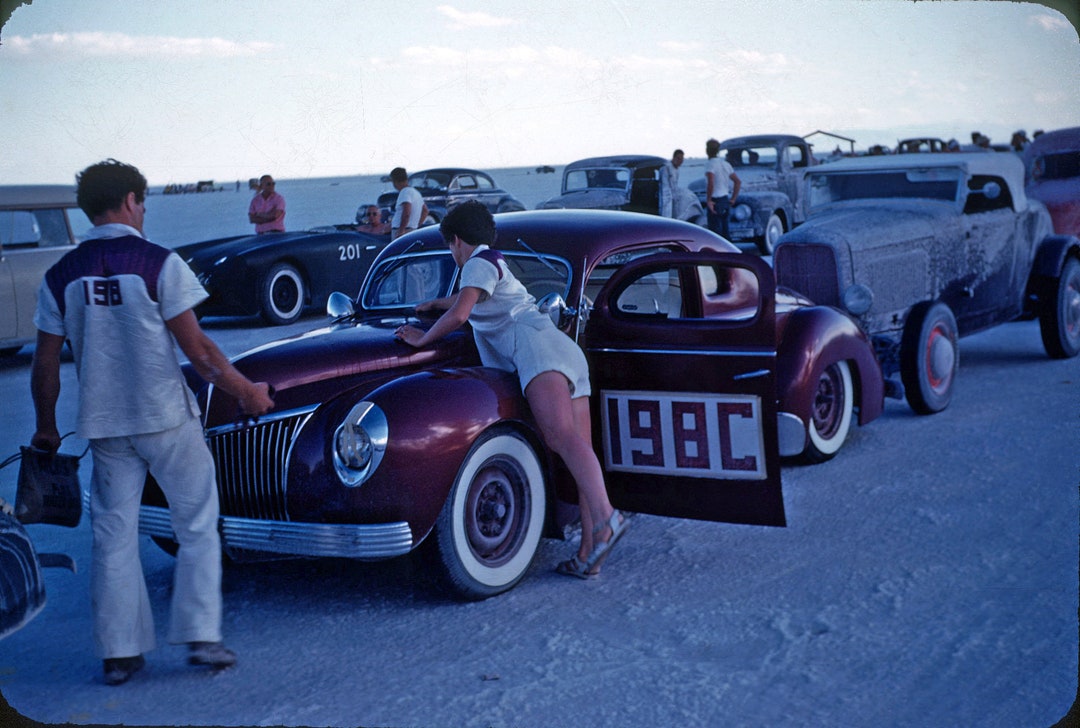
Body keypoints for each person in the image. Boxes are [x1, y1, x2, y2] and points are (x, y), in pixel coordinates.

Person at [30, 159, 275, 686]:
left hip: (105, 425)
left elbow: (45, 363)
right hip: (165, 418)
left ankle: (119, 655)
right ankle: (201, 638)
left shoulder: (59, 276)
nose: (143, 211)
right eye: (142, 202)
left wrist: (45, 427)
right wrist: (249, 393)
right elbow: (200, 352)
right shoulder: (158, 263)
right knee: (196, 523)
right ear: (129, 201)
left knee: (113, 536)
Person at [394, 201, 629, 579]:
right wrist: (438, 302)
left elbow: (461, 313)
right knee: (579, 449)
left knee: (561, 438)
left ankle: (607, 518)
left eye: (450, 247)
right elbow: (466, 299)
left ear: (457, 241)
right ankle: (589, 554)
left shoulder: (475, 263)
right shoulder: (494, 262)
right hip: (562, 348)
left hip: (536, 351)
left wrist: (422, 339)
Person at [704, 138, 741, 239]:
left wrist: (709, 200)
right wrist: (733, 198)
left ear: (707, 150)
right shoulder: (725, 164)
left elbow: (711, 183)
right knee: (725, 231)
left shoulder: (710, 164)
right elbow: (737, 182)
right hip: (725, 200)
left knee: (715, 234)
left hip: (715, 201)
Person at [389, 167, 428, 240]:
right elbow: (425, 211)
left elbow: (406, 212)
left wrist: (401, 230)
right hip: (412, 230)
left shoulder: (405, 192)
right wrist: (416, 226)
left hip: (402, 230)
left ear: (395, 181)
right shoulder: (416, 192)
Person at [659, 148, 684, 218]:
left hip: (673, 198)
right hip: (665, 198)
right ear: (674, 158)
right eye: (678, 158)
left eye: (681, 159)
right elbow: (665, 186)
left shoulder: (677, 170)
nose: (680, 161)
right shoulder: (666, 168)